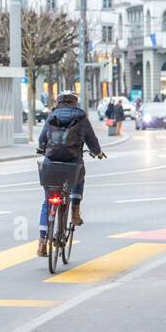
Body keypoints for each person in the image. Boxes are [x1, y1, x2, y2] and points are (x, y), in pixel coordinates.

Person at [35, 91, 105, 257]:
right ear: (75, 102)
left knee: (48, 201)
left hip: (51, 163)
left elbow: (42, 139)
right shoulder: (81, 118)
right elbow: (92, 141)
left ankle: (42, 243)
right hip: (72, 163)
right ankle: (74, 209)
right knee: (80, 176)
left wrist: (41, 148)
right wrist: (97, 152)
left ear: (58, 102)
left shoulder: (52, 116)